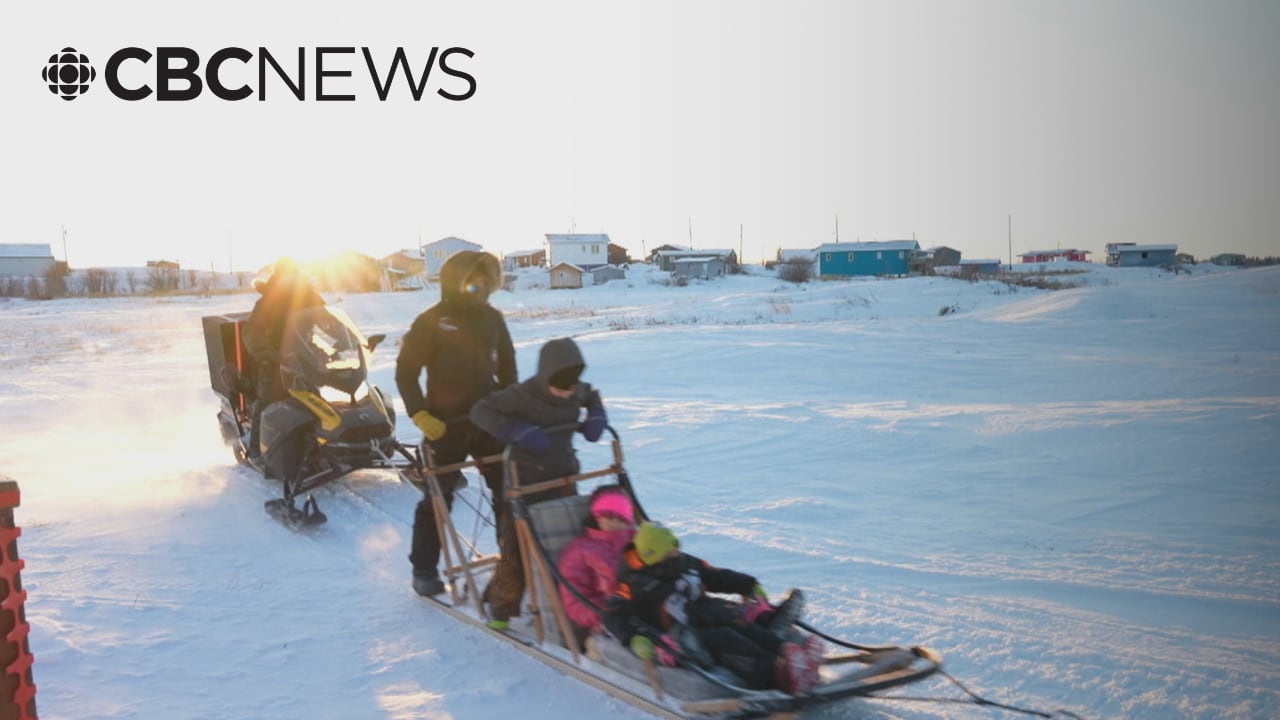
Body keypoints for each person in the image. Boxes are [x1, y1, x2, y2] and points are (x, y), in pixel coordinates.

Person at [395, 250, 517, 598]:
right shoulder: (432, 321)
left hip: (490, 419)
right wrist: (420, 413)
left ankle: (512, 562)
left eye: (486, 282)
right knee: (438, 495)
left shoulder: (493, 319)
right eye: (475, 281)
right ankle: (423, 568)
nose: (481, 288)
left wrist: (510, 408)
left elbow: (508, 371)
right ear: (457, 281)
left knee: (508, 491)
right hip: (446, 424)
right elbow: (405, 372)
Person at [469, 336, 609, 627]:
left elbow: (591, 394)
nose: (565, 393)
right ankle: (501, 608)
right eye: (559, 386)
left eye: (570, 387)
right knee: (518, 549)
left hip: (563, 477)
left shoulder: (574, 389)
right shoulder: (522, 395)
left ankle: (562, 599)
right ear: (545, 377)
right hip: (524, 483)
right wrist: (515, 429)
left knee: (569, 541)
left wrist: (596, 414)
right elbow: (481, 411)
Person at [602, 522, 822, 694]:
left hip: (709, 614)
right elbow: (611, 615)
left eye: (676, 551)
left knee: (743, 625)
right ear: (653, 559)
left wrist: (748, 584)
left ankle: (791, 654)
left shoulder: (683, 563)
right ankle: (775, 674)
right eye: (670, 555)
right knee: (726, 637)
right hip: (684, 635)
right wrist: (633, 639)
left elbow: (714, 575)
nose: (677, 557)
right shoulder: (634, 585)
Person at [241, 257, 325, 460]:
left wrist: (344, 342)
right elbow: (251, 333)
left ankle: (322, 446)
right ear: (278, 276)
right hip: (275, 360)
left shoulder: (309, 297)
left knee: (319, 403)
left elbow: (328, 320)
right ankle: (256, 450)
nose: (291, 279)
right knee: (269, 402)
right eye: (287, 275)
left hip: (305, 358)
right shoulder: (268, 301)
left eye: (294, 275)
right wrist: (272, 355)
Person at [557, 485, 638, 635]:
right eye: (608, 516)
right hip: (610, 623)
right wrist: (606, 614)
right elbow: (575, 601)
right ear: (596, 516)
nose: (615, 523)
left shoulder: (639, 540)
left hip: (650, 610)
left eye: (621, 518)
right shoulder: (579, 551)